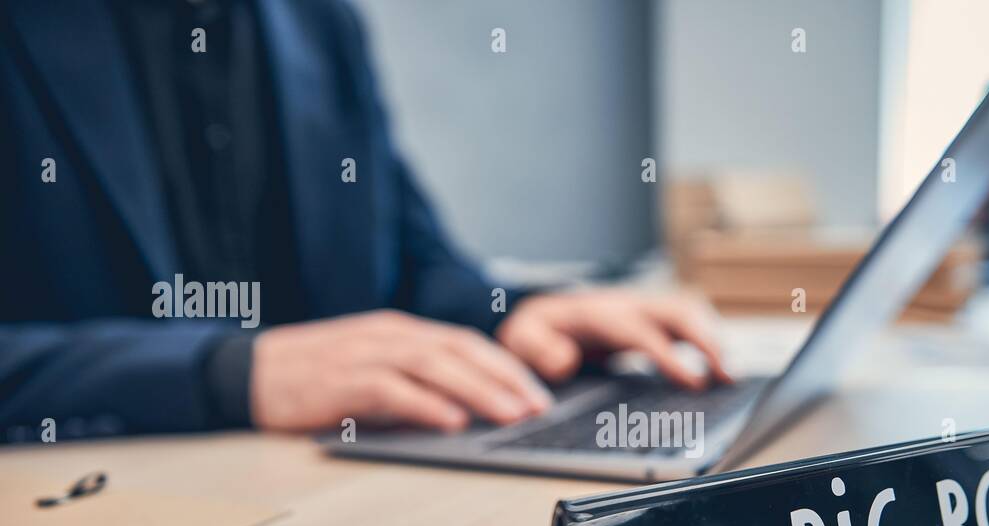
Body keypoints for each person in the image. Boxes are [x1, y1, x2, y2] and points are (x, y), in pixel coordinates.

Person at [0, 0, 728, 442]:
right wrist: (227, 373)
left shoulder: (320, 23)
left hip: (328, 517)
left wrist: (518, 312)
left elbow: (415, 267)